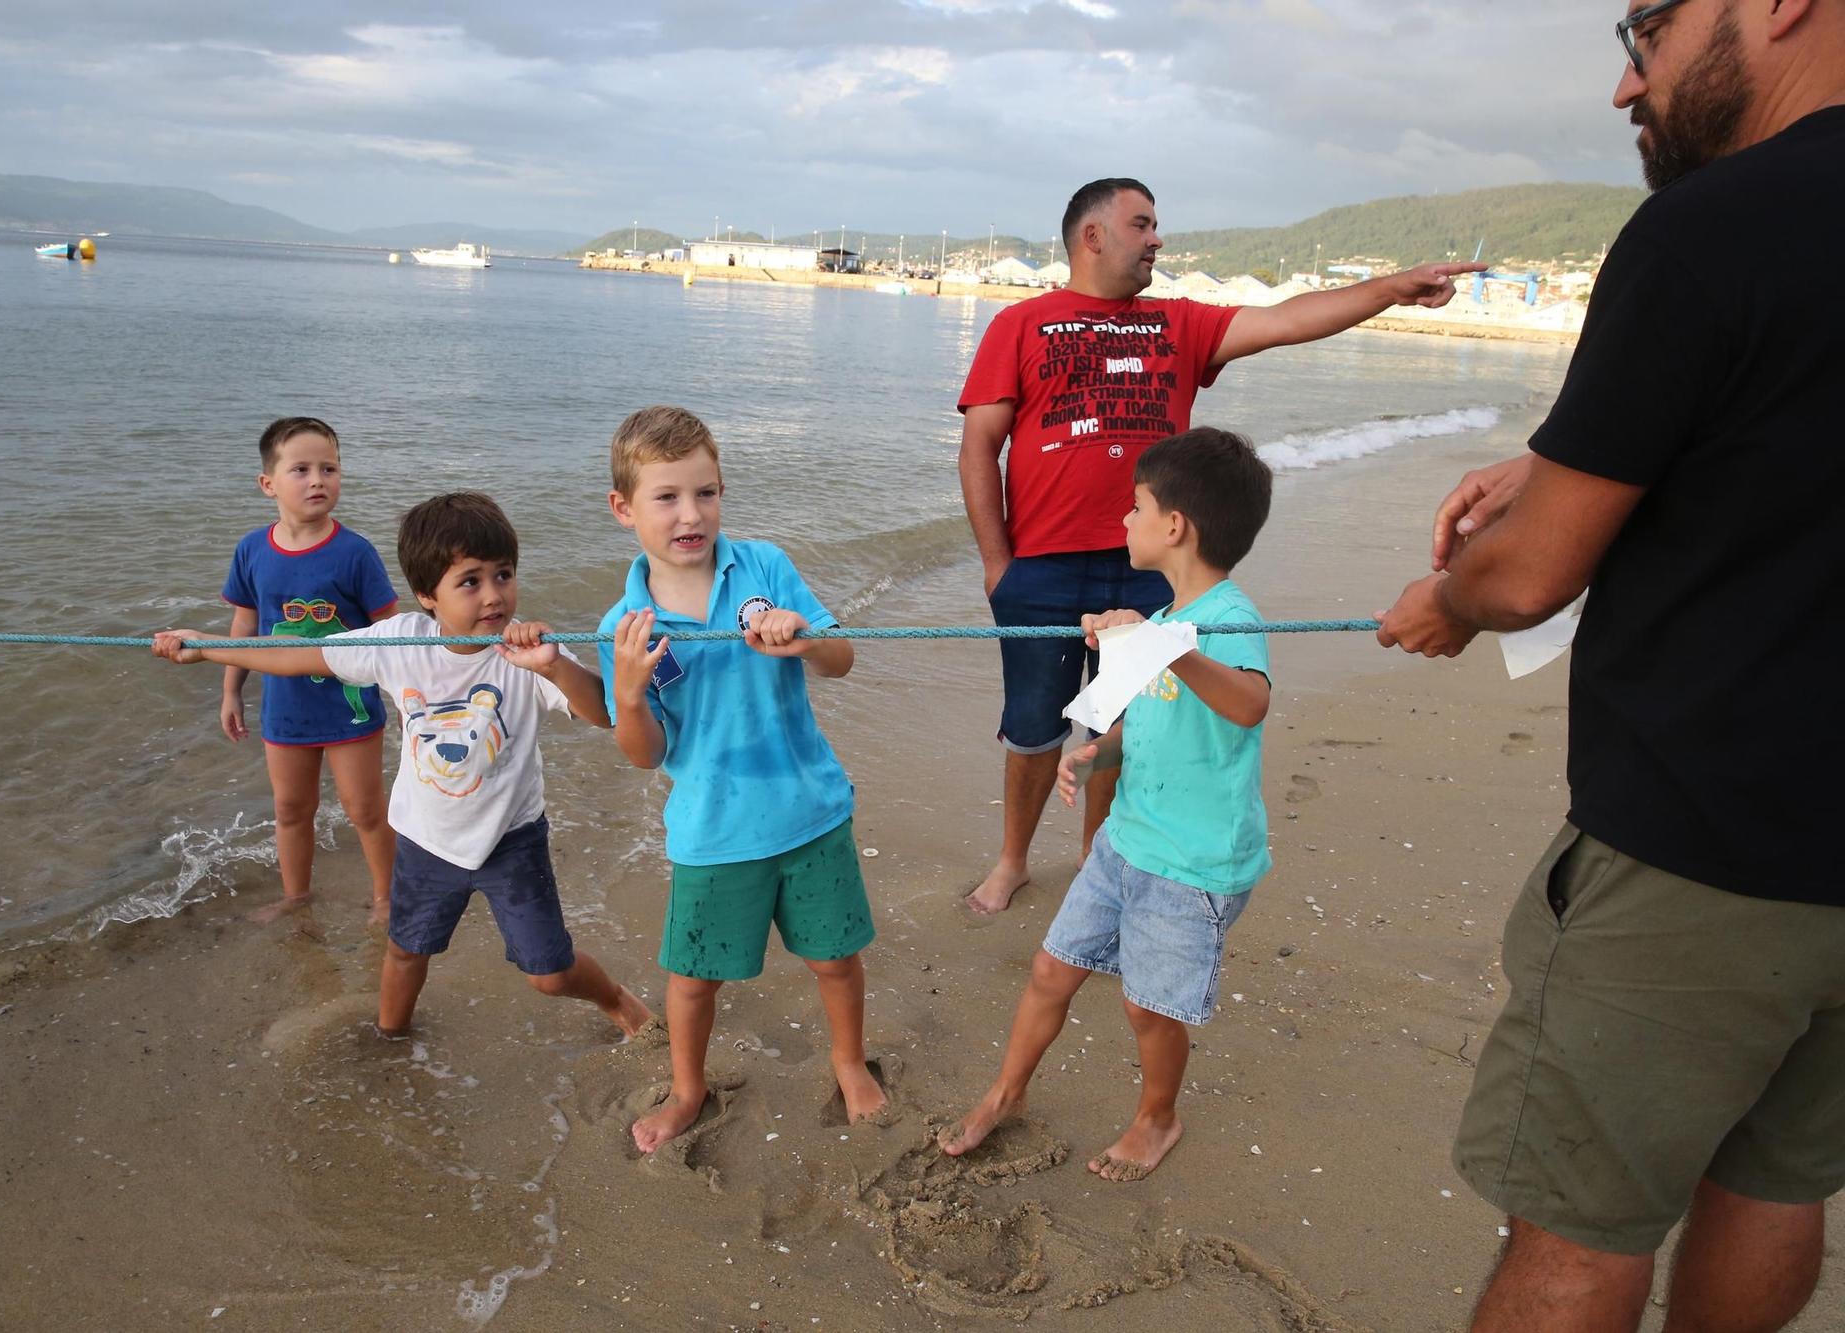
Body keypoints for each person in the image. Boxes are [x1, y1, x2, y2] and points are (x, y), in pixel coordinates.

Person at [1376, 3, 1845, 1328]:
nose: (1626, 84)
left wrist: (1449, 602)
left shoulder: (1715, 225)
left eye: (1648, 27)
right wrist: (1558, 458)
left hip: (1703, 845)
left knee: (1580, 1226)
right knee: (1774, 1182)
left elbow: (1527, 576)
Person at [958, 177, 1483, 914]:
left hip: (1153, 567)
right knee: (1032, 726)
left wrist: (1392, 289)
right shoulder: (1021, 324)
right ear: (1092, 236)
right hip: (1041, 568)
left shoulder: (1179, 322)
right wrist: (997, 565)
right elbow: (979, 446)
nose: (1157, 239)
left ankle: (1095, 860)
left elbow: (1288, 319)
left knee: (1123, 721)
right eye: (1142, 224)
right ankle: (1013, 859)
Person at [157, 492, 653, 1043]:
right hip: (424, 840)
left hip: (512, 841)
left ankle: (617, 1001)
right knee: (404, 951)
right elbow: (296, 655)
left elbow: (602, 713)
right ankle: (390, 1039)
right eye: (470, 581)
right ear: (427, 596)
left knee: (550, 974)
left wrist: (553, 666)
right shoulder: (399, 642)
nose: (493, 595)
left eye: (503, 574)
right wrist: (208, 647)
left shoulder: (528, 654)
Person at [943, 428, 1273, 1181]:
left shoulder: (1230, 617)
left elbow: (1249, 703)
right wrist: (1099, 751)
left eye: (1135, 507)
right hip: (1126, 840)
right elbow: (1154, 715)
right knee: (1050, 971)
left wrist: (1168, 648)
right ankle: (1006, 1093)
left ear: (1174, 526)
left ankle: (1158, 1118)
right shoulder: (1164, 618)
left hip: (1192, 863)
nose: (1124, 520)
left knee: (1147, 1008)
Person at [597, 406, 883, 1154]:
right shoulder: (623, 627)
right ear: (624, 508)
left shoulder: (764, 567)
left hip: (810, 811)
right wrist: (629, 692)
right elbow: (644, 753)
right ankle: (688, 1087)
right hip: (714, 830)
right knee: (693, 979)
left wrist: (804, 639)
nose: (690, 514)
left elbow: (842, 660)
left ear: (722, 491)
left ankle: (849, 1060)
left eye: (706, 492)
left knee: (834, 959)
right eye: (667, 497)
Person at [219, 416, 400, 926]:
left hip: (350, 707)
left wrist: (411, 697)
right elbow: (244, 627)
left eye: (329, 468)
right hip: (285, 710)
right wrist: (231, 692)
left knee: (365, 810)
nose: (317, 480)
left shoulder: (355, 552)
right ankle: (296, 896)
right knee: (291, 810)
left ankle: (386, 898)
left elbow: (392, 633)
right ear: (268, 483)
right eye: (300, 469)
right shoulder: (252, 550)